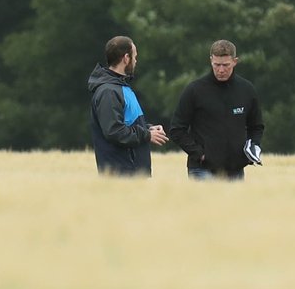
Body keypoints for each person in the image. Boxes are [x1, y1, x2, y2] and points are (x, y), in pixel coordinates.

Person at [168, 39, 264, 182]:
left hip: (236, 171)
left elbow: (256, 126)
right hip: (202, 169)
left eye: (226, 65)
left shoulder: (247, 90)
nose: (221, 70)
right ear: (211, 60)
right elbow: (176, 130)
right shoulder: (194, 90)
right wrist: (199, 154)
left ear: (235, 61)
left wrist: (253, 148)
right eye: (216, 65)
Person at [87, 35, 167, 177]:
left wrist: (148, 128)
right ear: (126, 58)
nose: (136, 61)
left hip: (133, 173)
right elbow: (114, 131)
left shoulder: (121, 88)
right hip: (120, 175)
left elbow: (127, 123)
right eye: (134, 56)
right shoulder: (108, 92)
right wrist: (147, 135)